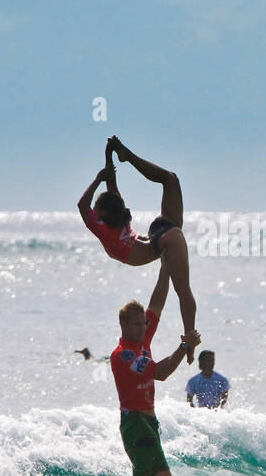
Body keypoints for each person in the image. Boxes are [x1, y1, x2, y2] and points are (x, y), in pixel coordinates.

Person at [94, 261, 199, 476]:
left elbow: (158, 301)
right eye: (137, 325)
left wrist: (167, 264)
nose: (143, 328)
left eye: (144, 324)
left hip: (148, 422)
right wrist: (185, 347)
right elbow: (162, 373)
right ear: (124, 325)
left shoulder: (143, 336)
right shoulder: (123, 355)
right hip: (134, 422)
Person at [78, 136, 198, 361]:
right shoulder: (103, 225)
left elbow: (101, 189)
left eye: (97, 206)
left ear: (102, 211)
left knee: (170, 179)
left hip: (157, 239)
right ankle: (189, 339)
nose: (94, 208)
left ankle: (189, 340)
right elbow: (86, 202)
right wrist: (99, 176)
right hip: (158, 239)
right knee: (170, 180)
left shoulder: (106, 220)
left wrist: (110, 153)